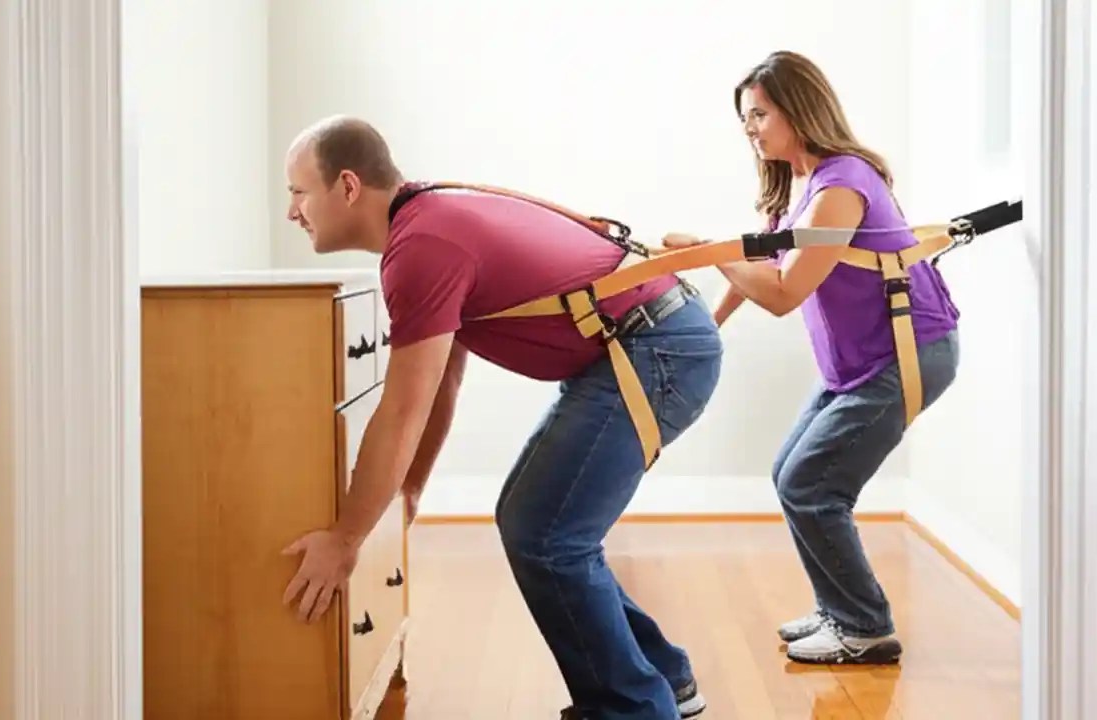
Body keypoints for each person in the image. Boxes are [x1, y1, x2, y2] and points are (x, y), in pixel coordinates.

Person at [277, 116, 721, 719]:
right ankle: (663, 679)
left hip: (655, 347)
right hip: (642, 343)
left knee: (547, 533)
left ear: (348, 187)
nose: (292, 212)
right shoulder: (424, 220)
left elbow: (402, 410)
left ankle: (633, 708)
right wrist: (409, 487)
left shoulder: (421, 247)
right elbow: (441, 381)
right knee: (539, 525)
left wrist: (346, 538)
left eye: (298, 192)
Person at [663, 51, 961, 665]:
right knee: (790, 474)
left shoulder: (842, 185)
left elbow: (783, 293)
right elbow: (768, 271)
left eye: (760, 113)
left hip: (907, 355)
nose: (750, 128)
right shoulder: (798, 189)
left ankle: (864, 627)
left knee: (811, 485)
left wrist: (705, 252)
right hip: (860, 362)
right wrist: (709, 326)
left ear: (799, 109)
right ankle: (839, 609)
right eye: (745, 117)